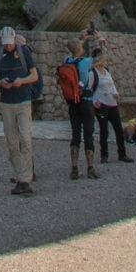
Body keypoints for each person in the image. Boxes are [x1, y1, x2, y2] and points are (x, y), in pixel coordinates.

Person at [0, 25, 38, 195]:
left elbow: (34, 75)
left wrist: (21, 81)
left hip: (23, 100)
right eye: (5, 44)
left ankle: (26, 178)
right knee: (12, 143)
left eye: (9, 43)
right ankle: (20, 177)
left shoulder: (24, 52)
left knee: (25, 138)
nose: (8, 46)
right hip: (6, 102)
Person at [58, 40, 99, 179]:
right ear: (80, 48)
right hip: (86, 101)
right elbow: (99, 56)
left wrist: (79, 41)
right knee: (88, 134)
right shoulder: (86, 62)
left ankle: (74, 168)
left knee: (75, 134)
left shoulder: (66, 60)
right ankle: (90, 167)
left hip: (72, 103)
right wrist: (98, 41)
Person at [92, 54, 132, 165]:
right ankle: (104, 155)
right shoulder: (93, 73)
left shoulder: (107, 71)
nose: (105, 61)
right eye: (103, 59)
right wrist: (93, 101)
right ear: (98, 60)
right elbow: (88, 89)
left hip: (112, 103)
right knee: (104, 130)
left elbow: (112, 85)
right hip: (101, 104)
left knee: (118, 129)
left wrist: (116, 93)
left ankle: (122, 154)